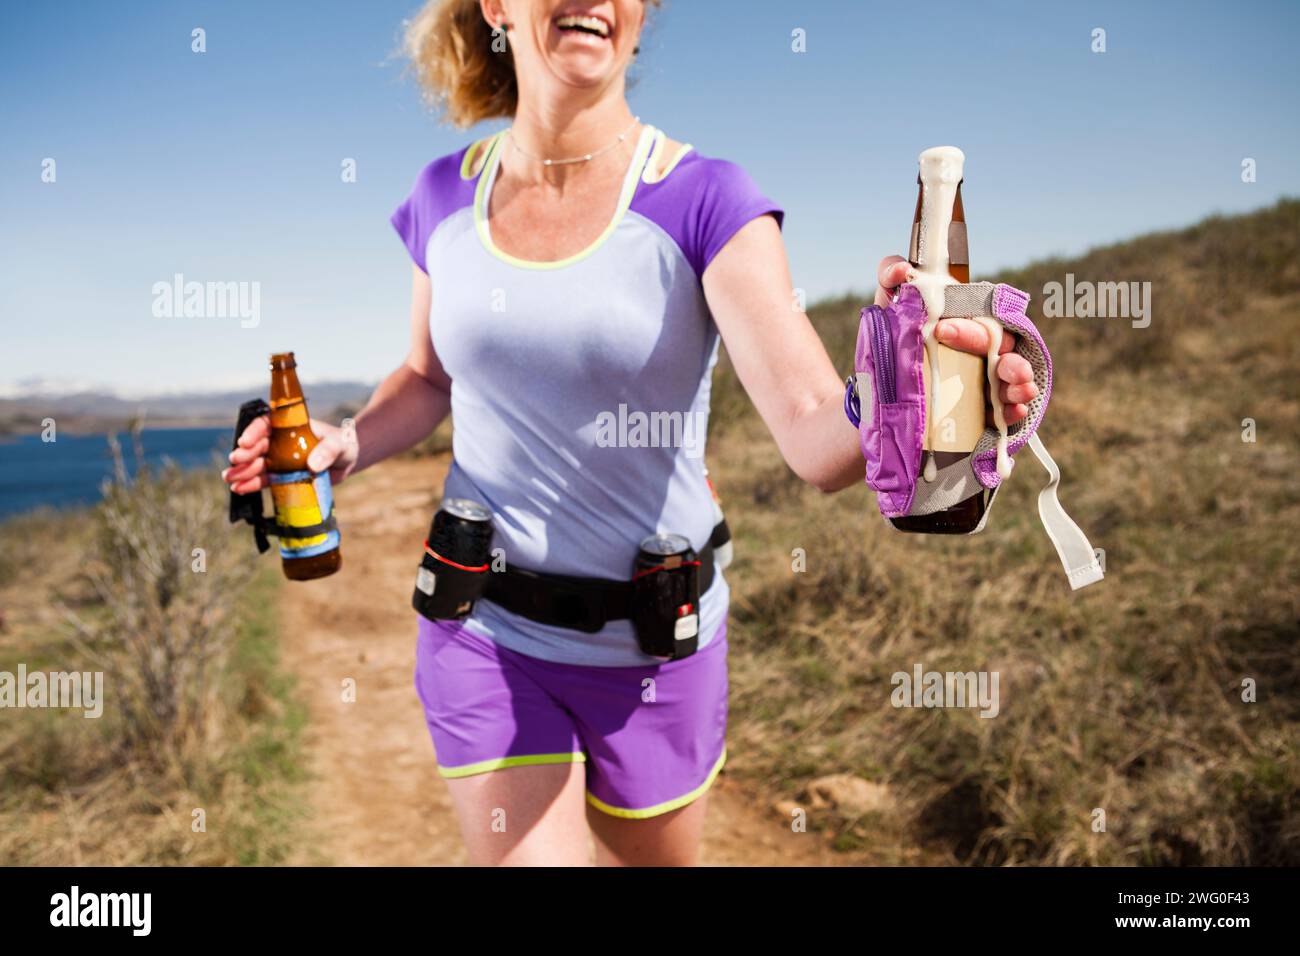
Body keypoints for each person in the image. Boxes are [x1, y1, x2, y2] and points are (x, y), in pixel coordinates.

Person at [221, 0, 1038, 866]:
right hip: (486, 628)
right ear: (496, 7)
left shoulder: (706, 199)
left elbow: (812, 435)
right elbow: (426, 379)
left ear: (643, 15)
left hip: (656, 643)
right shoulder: (442, 194)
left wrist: (904, 390)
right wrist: (348, 442)